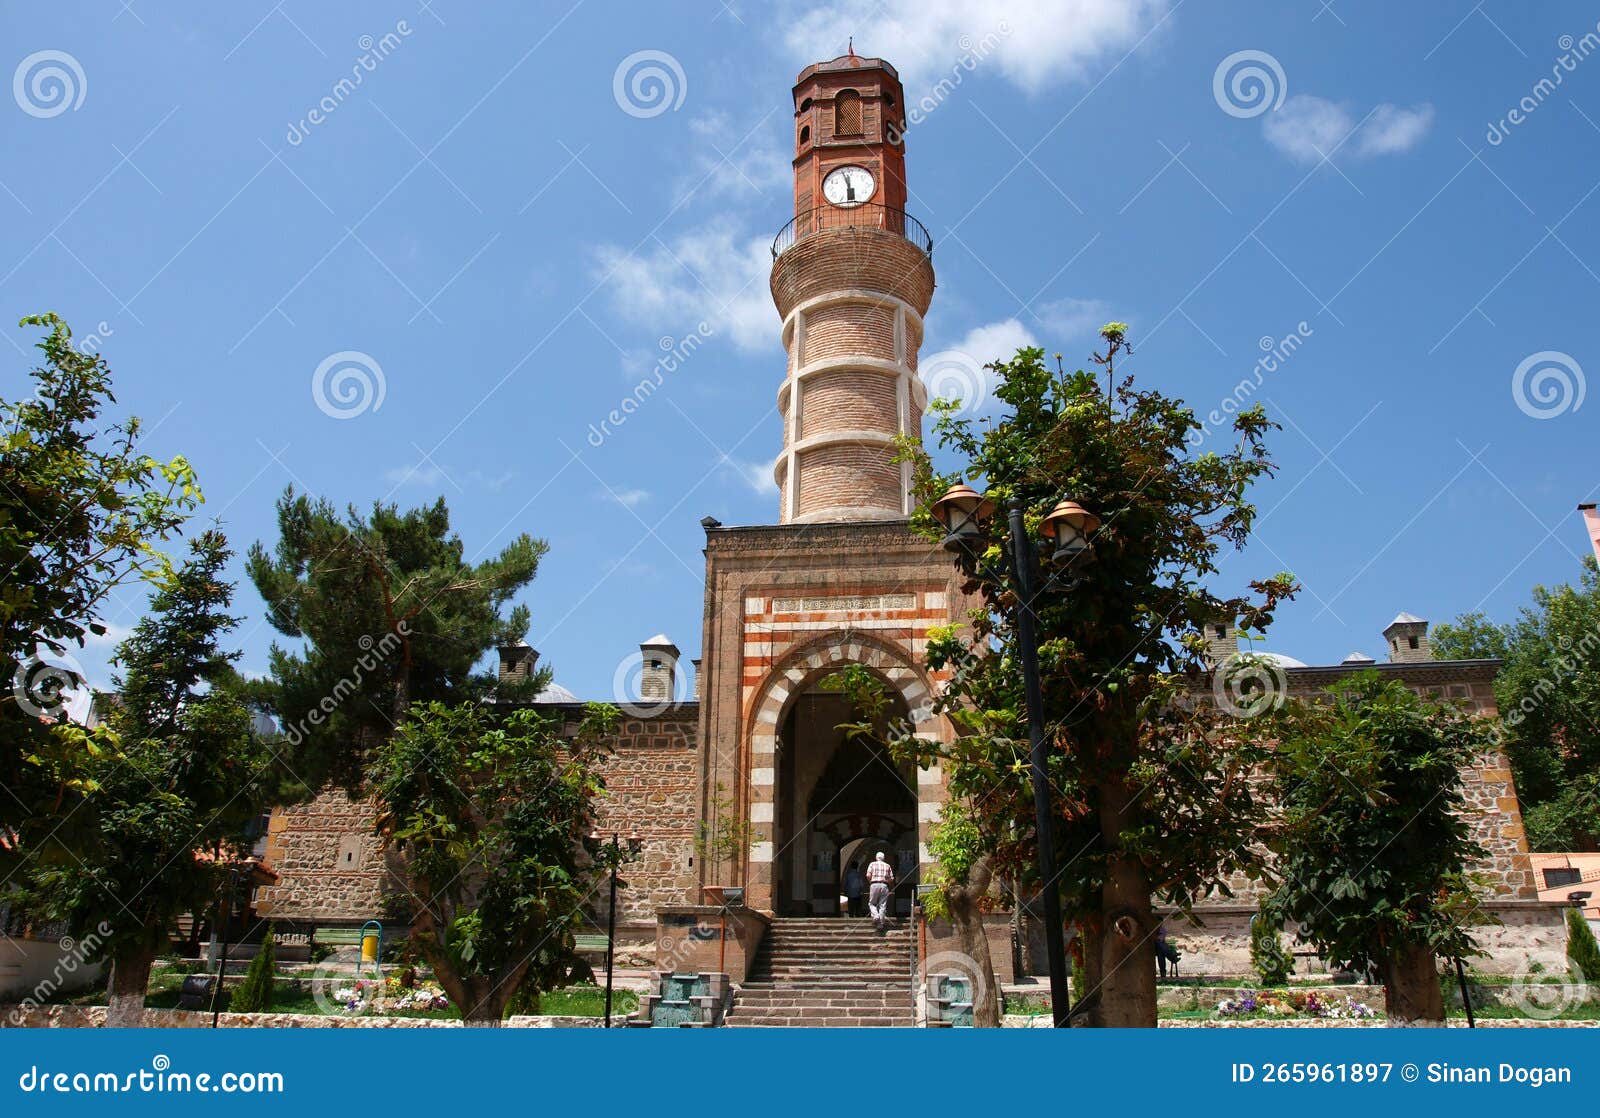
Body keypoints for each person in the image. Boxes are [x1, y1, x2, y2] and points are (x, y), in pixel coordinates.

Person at [865, 851, 895, 931]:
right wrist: (886, 881)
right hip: (884, 885)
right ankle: (880, 924)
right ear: (883, 858)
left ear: (876, 857)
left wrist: (870, 882)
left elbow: (868, 875)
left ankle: (876, 916)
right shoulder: (887, 865)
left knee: (872, 903)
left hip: (874, 884)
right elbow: (892, 878)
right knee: (883, 905)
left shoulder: (872, 864)